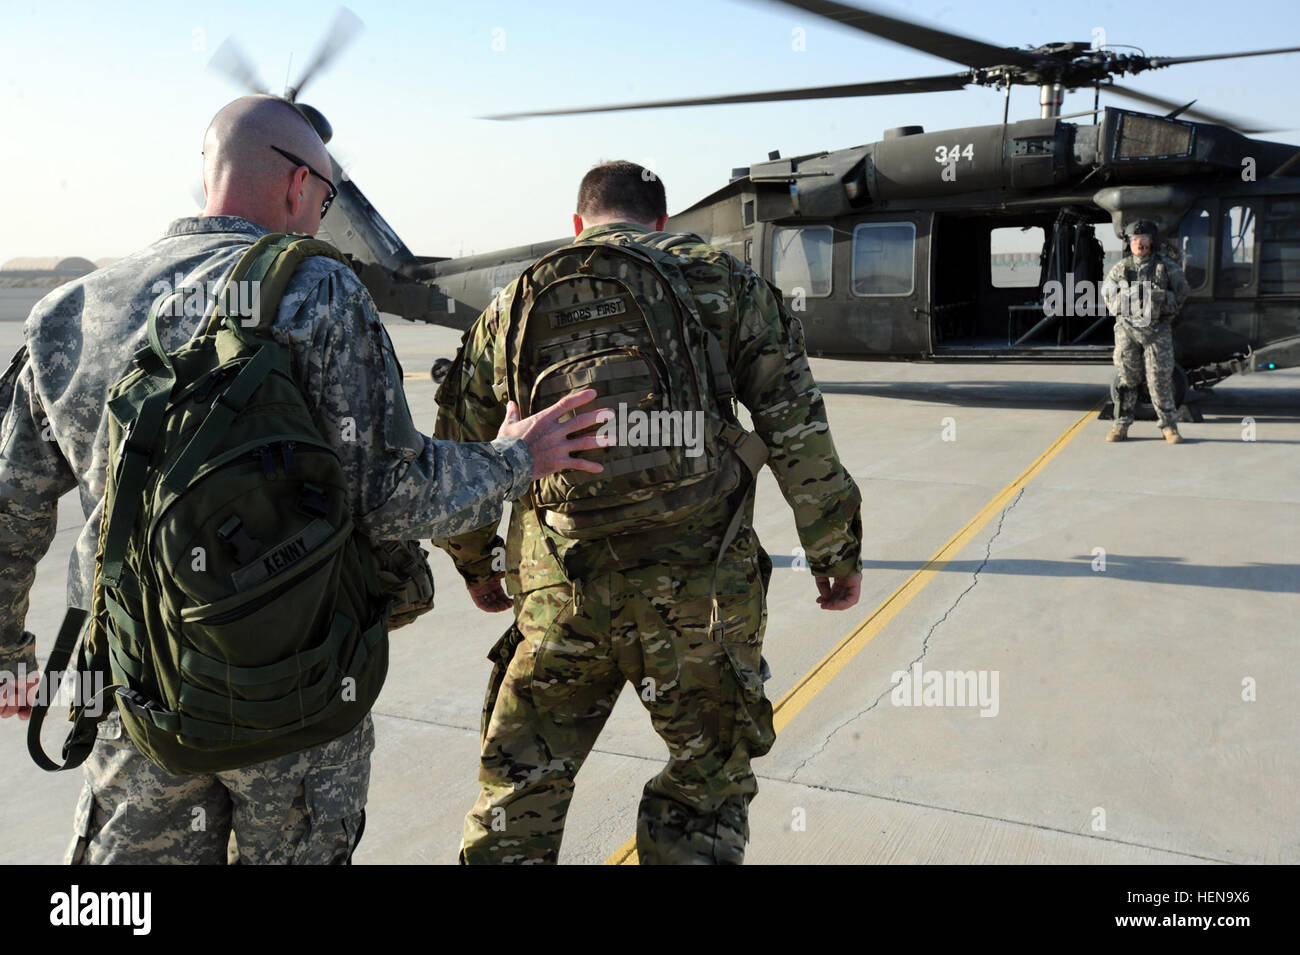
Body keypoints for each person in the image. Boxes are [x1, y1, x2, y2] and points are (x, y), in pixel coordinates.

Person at [0, 94, 604, 864]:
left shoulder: (69, 312)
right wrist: (517, 456)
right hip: (298, 687)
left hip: (138, 690)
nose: (319, 217)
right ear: (297, 185)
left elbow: (10, 509)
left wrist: (9, 656)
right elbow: (394, 495)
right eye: (324, 199)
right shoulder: (317, 290)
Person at [433, 160, 864, 865]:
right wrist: (834, 554)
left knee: (520, 783)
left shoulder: (513, 301)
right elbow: (797, 430)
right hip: (701, 594)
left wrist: (475, 563)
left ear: (579, 222)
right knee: (705, 783)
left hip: (559, 587)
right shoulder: (726, 283)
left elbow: (463, 446)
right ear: (662, 221)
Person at [1101, 220, 1191, 443]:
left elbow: (1182, 293)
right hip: (1127, 329)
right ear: (1129, 243)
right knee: (1127, 379)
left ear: (1152, 242)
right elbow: (1108, 295)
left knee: (1159, 379)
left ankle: (1169, 427)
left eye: (1144, 240)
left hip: (1157, 329)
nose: (1139, 244)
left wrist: (1157, 297)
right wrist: (1129, 297)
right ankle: (1121, 425)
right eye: (1135, 240)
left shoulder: (1166, 266)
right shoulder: (1121, 268)